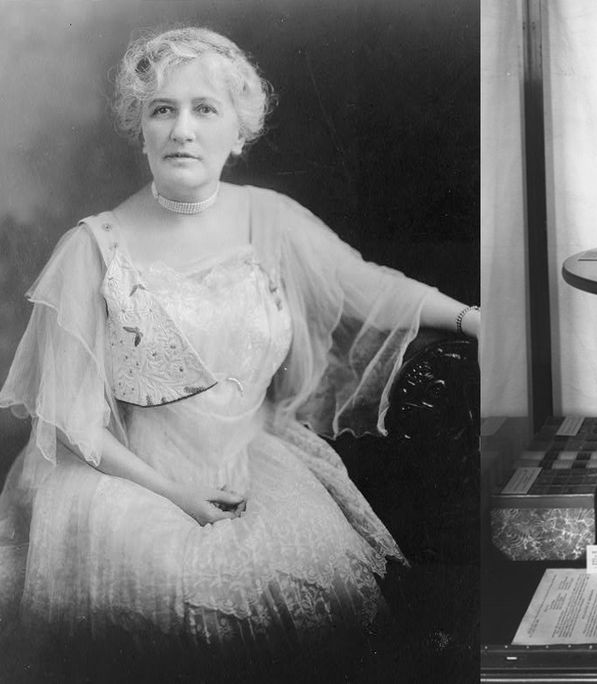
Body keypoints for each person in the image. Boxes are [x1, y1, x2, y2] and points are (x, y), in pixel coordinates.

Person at [0, 26, 479, 676]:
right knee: (184, 593)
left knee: (303, 587)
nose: (182, 130)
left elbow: (366, 287)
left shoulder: (269, 217)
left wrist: (472, 317)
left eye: (205, 110)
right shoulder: (92, 249)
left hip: (251, 462)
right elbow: (76, 422)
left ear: (238, 131)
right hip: (121, 478)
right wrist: (176, 496)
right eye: (162, 110)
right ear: (139, 128)